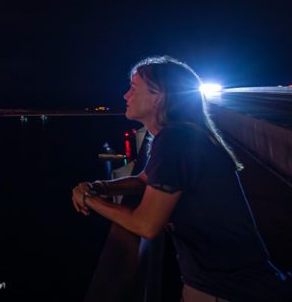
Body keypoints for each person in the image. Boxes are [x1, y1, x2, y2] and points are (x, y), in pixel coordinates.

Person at [72, 56, 289, 302]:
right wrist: (100, 186)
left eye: (133, 88)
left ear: (158, 96)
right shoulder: (183, 134)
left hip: (224, 288)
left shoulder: (175, 141)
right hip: (244, 281)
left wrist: (88, 199)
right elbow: (145, 179)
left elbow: (146, 225)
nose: (125, 95)